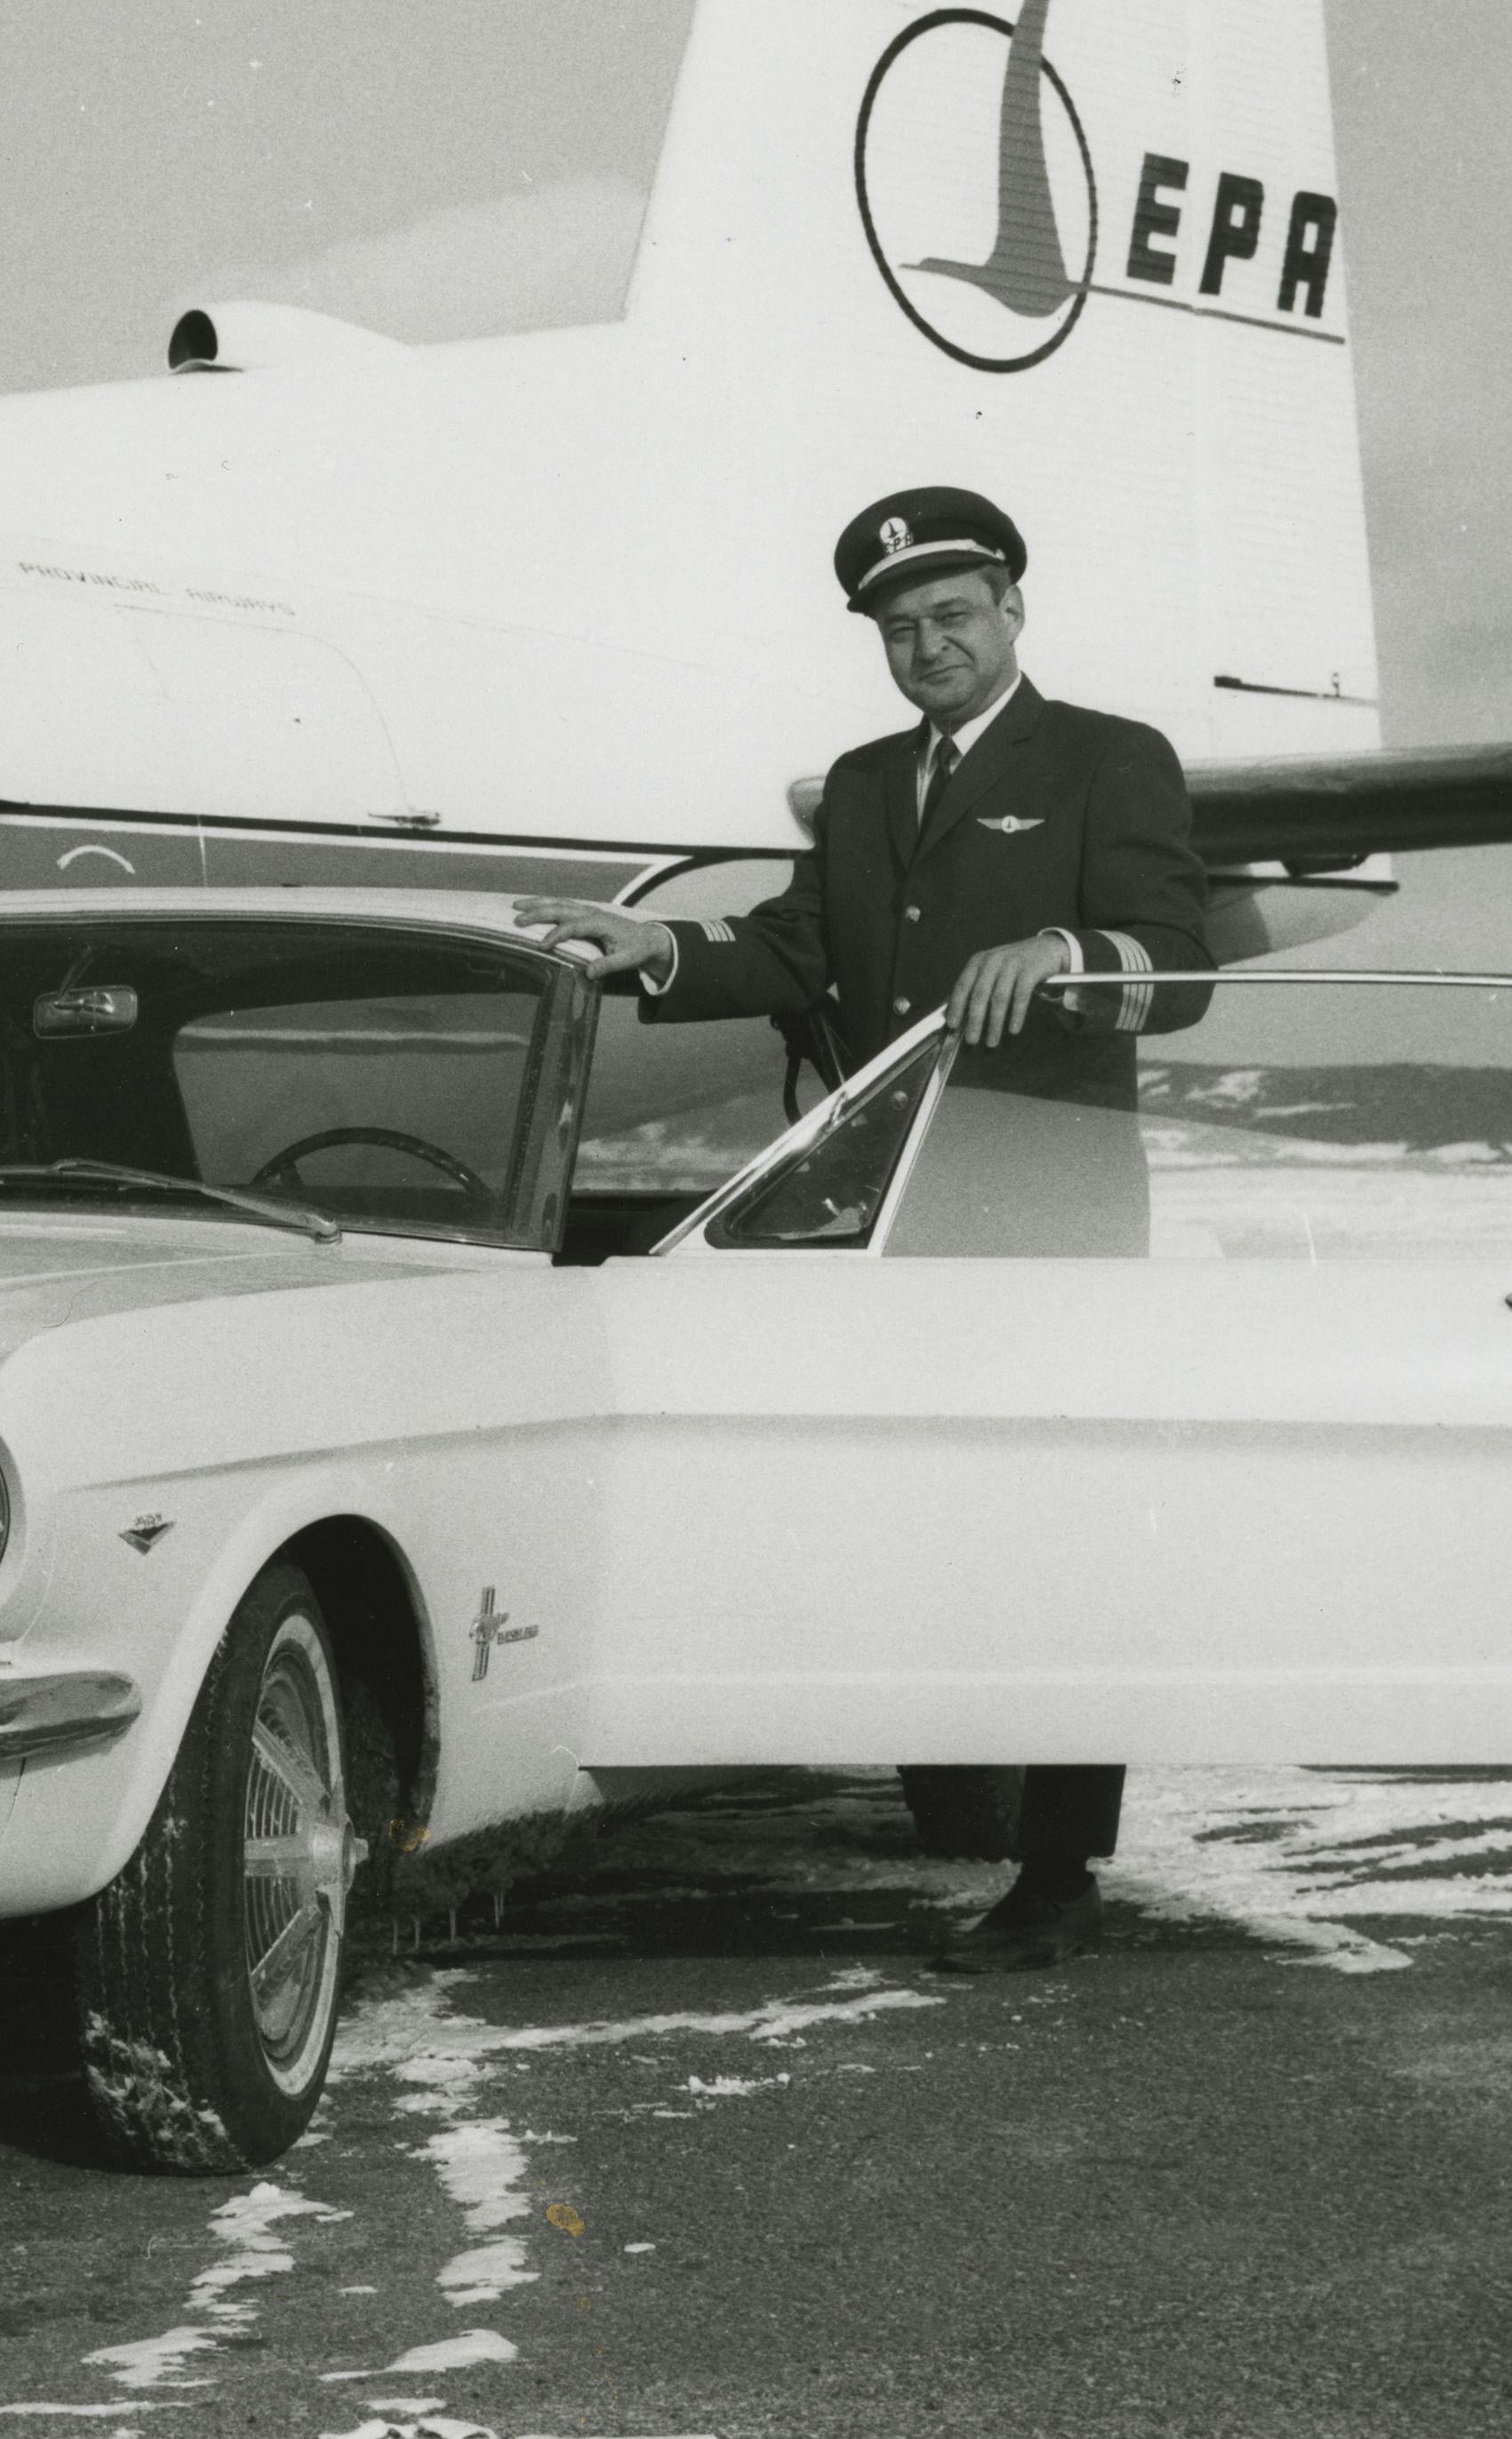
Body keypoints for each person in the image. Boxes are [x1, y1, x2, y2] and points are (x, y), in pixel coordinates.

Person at [513, 484, 1207, 1973]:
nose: (927, 645)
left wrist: (1069, 950)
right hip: (887, 1208)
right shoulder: (865, 780)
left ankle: (1059, 1872)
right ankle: (958, 1789)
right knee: (917, 1515)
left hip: (1044, 1204)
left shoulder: (1108, 758)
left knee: (1059, 1535)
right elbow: (801, 951)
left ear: (1012, 609)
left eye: (951, 615)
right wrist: (660, 945)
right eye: (898, 629)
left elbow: (1183, 962)